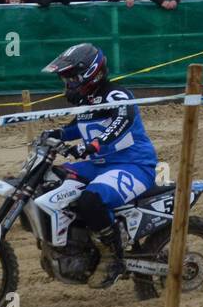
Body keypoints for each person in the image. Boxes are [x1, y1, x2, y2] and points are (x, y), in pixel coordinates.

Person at [43, 44, 158, 289]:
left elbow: (123, 118)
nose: (68, 83)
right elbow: (76, 127)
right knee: (53, 178)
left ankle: (113, 257)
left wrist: (96, 144)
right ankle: (81, 243)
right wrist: (55, 134)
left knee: (91, 199)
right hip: (100, 165)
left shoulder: (115, 94)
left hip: (134, 165)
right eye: (66, 79)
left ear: (91, 72)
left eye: (72, 77)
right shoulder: (87, 101)